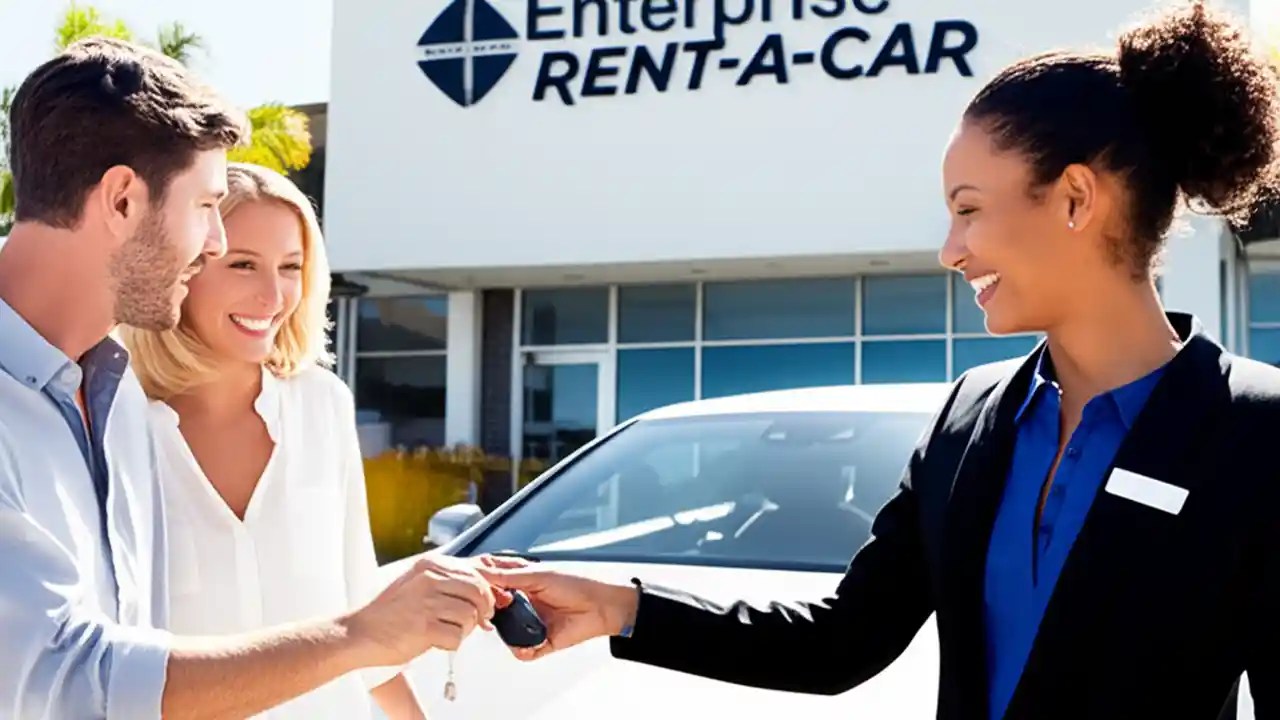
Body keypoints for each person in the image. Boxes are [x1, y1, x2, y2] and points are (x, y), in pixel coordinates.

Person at [477, 3, 1280, 719]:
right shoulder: (972, 418)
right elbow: (840, 641)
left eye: (968, 210)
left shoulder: (1256, 432)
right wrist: (621, 606)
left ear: (1075, 198)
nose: (949, 250)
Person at [0, 37, 499, 720]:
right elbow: (66, 679)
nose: (214, 243)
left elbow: (132, 647)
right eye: (206, 206)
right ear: (121, 201)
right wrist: (358, 635)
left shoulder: (108, 399)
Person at [115, 162, 424, 719]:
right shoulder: (112, 421)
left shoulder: (322, 405)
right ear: (181, 269)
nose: (272, 295)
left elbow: (363, 610)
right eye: (242, 265)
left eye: (290, 267)